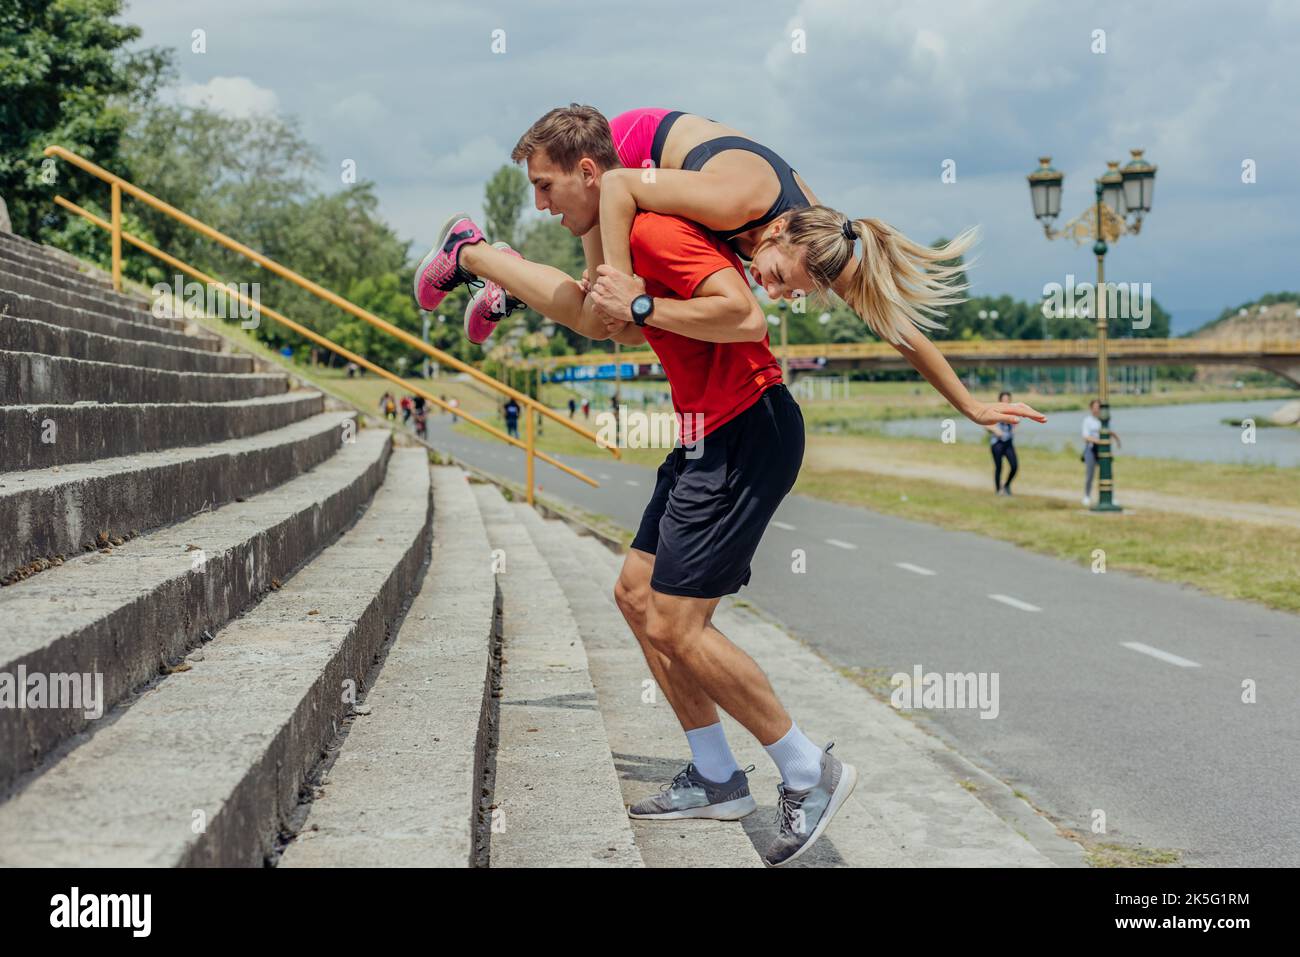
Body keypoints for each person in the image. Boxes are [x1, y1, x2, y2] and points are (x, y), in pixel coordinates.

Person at [413, 105, 1044, 436]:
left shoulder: (820, 246)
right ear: (776, 230)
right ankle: (473, 251)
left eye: (788, 292)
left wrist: (970, 407)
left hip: (648, 176)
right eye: (774, 277)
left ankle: (505, 276)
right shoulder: (739, 202)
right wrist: (628, 291)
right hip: (625, 154)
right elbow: (624, 185)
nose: (771, 290)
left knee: (621, 323)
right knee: (601, 315)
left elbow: (899, 330)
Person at [1081, 398, 1121, 506]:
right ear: (1091, 408)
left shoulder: (1104, 420)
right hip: (1091, 449)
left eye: (1099, 407)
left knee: (1107, 474)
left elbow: (1111, 432)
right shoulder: (1088, 420)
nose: (1097, 410)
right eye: (1095, 407)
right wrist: (1099, 441)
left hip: (1104, 450)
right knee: (1090, 474)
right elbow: (1085, 437)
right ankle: (1087, 496)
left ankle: (1110, 497)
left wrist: (1117, 441)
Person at [985, 390, 1019, 495]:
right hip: (997, 443)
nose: (1006, 402)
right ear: (999, 400)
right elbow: (985, 424)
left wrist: (1014, 428)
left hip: (1008, 443)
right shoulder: (994, 411)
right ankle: (998, 490)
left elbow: (1016, 423)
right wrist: (995, 430)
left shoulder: (1012, 412)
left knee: (1014, 466)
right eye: (1004, 400)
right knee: (999, 467)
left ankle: (1007, 485)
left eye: (1008, 400)